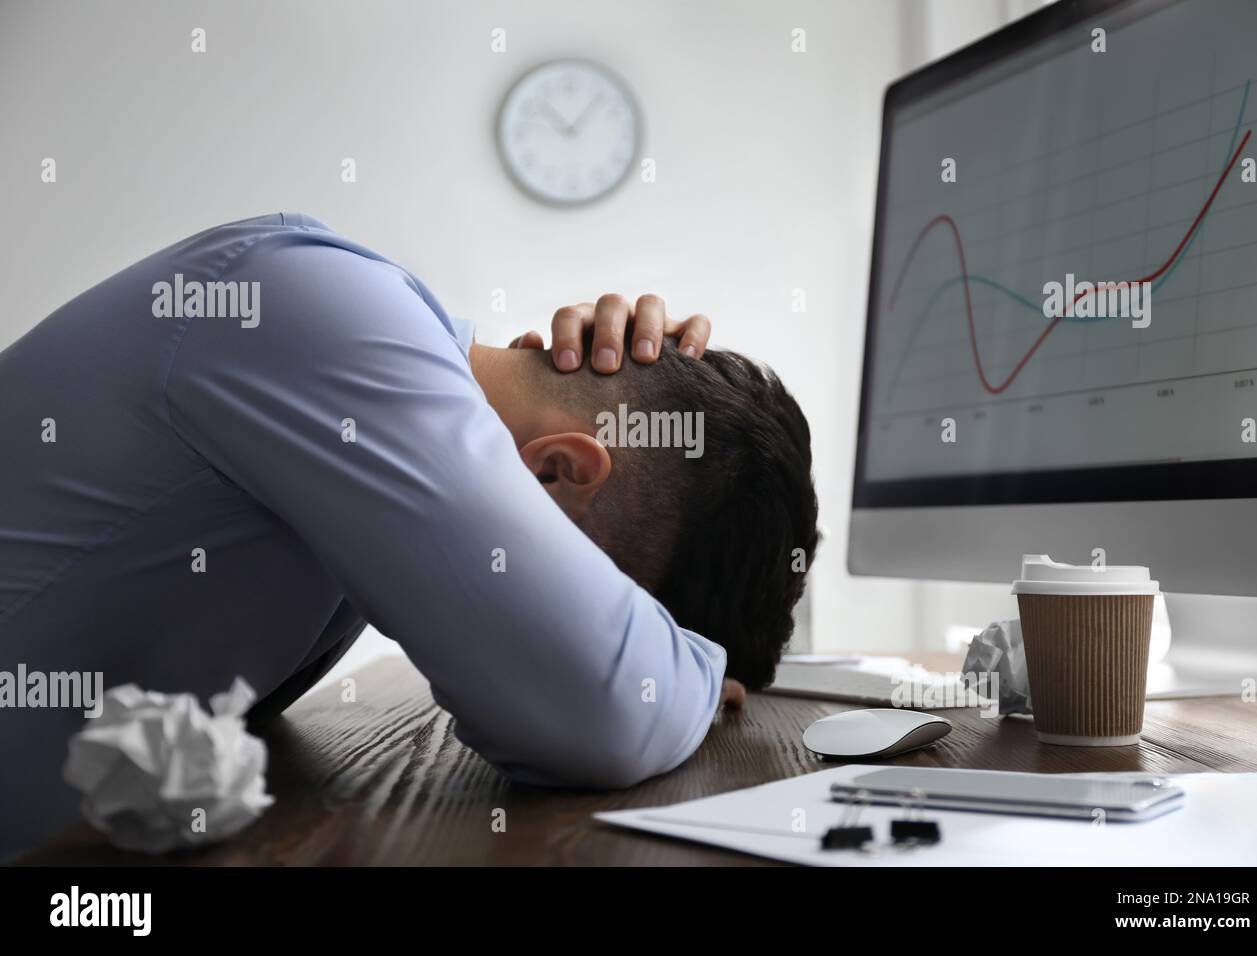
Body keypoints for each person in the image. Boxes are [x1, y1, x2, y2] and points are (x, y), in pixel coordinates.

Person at [0, 213, 819, 853]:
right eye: (606, 598)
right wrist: (692, 674)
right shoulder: (313, 311)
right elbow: (594, 708)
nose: (577, 607)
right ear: (559, 471)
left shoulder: (365, 393)